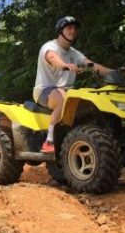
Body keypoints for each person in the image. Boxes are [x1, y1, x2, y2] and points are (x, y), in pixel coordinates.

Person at [34, 16, 112, 154]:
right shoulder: (50, 47)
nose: (73, 31)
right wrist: (64, 65)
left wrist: (113, 73)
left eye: (75, 28)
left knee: (90, 101)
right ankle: (49, 141)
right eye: (69, 28)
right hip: (45, 90)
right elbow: (53, 58)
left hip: (68, 91)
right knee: (63, 99)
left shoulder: (74, 53)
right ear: (61, 30)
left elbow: (91, 64)